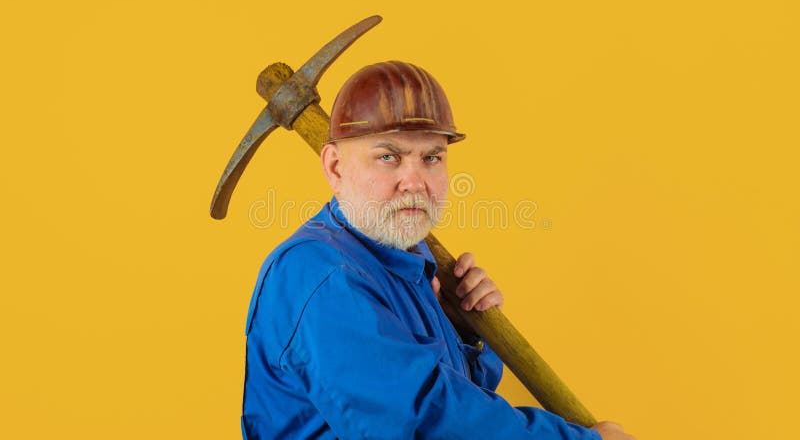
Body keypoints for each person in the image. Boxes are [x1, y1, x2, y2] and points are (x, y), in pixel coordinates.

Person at [241, 61, 636, 440]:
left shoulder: (405, 260)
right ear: (335, 168)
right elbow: (425, 423)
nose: (414, 183)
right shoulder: (318, 275)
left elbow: (452, 397)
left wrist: (464, 333)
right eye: (388, 157)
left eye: (431, 158)